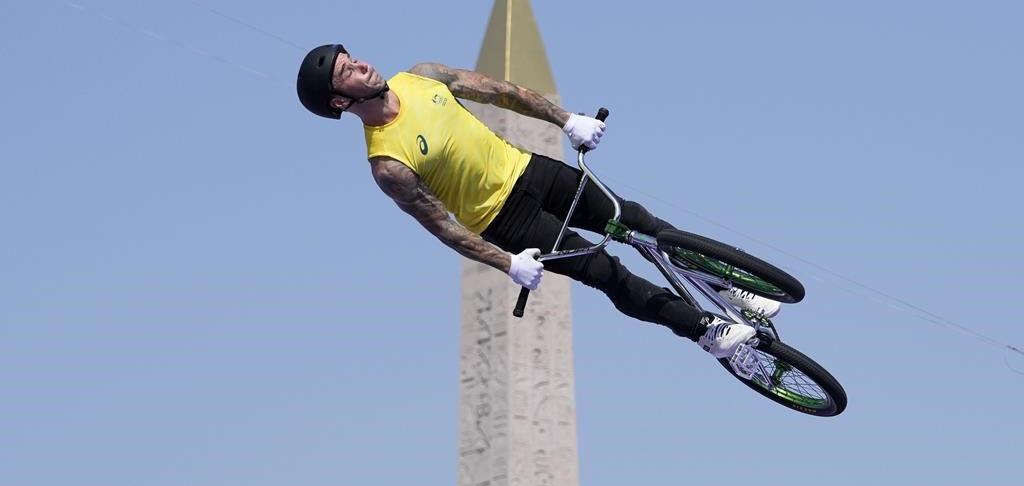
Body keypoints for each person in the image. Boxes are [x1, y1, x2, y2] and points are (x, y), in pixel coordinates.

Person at [295, 44, 781, 358]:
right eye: (346, 70)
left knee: (638, 220)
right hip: (507, 221)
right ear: (340, 101)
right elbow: (443, 226)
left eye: (352, 56)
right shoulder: (388, 164)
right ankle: (703, 330)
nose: (360, 63)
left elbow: (500, 93)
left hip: (531, 169)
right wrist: (507, 263)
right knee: (606, 273)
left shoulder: (421, 76)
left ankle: (726, 286)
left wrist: (567, 120)